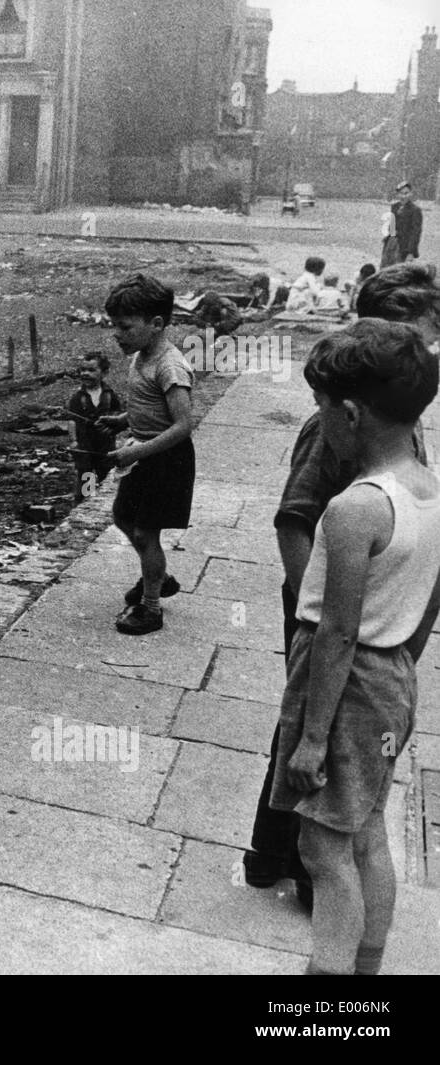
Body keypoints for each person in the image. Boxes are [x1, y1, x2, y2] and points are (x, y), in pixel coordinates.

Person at [243, 261, 440, 909]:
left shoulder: (399, 423)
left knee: (319, 734)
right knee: (306, 727)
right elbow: (293, 521)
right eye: (419, 337)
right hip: (329, 613)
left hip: (364, 620)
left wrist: (397, 638)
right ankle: (287, 860)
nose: (424, 353)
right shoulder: (331, 427)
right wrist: (323, 610)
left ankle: (281, 855)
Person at [95, 275, 195, 635]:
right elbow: (150, 405)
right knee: (123, 516)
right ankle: (159, 576)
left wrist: (137, 451)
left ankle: (151, 608)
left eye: (125, 327)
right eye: (114, 326)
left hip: (167, 459)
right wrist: (123, 420)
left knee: (145, 533)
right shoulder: (141, 356)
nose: (117, 335)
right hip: (143, 452)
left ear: (156, 324)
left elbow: (183, 425)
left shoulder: (170, 366)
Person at [66, 352, 123, 503]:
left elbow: (118, 415)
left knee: (106, 474)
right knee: (86, 475)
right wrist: (73, 441)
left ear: (104, 373)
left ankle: (105, 502)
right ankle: (86, 502)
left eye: (91, 370)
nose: (85, 373)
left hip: (105, 445)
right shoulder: (78, 397)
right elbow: (72, 420)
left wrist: (114, 424)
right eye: (83, 370)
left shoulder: (109, 395)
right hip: (85, 445)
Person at [391, 182, 423, 264]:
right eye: (401, 193)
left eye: (406, 193)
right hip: (393, 247)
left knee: (401, 270)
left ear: (410, 194)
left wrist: (410, 253)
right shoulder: (394, 207)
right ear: (397, 194)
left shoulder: (415, 210)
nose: (403, 196)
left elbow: (415, 233)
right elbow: (392, 227)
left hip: (405, 250)